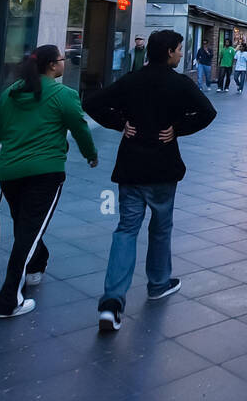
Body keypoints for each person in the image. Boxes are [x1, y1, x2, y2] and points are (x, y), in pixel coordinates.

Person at [85, 29, 217, 332]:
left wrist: (121, 123)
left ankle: (112, 301)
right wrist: (177, 128)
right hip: (162, 165)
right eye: (180, 49)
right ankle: (158, 283)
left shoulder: (132, 80)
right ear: (169, 51)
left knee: (126, 229)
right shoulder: (180, 83)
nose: (182, 54)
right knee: (161, 227)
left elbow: (93, 104)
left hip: (131, 164)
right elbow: (208, 112)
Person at [0, 45, 98, 319]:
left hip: (10, 173)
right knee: (28, 231)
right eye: (63, 60)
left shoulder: (11, 93)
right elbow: (80, 128)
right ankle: (8, 300)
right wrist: (91, 155)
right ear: (53, 66)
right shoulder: (63, 95)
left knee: (25, 225)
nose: (65, 63)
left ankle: (36, 266)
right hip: (45, 173)